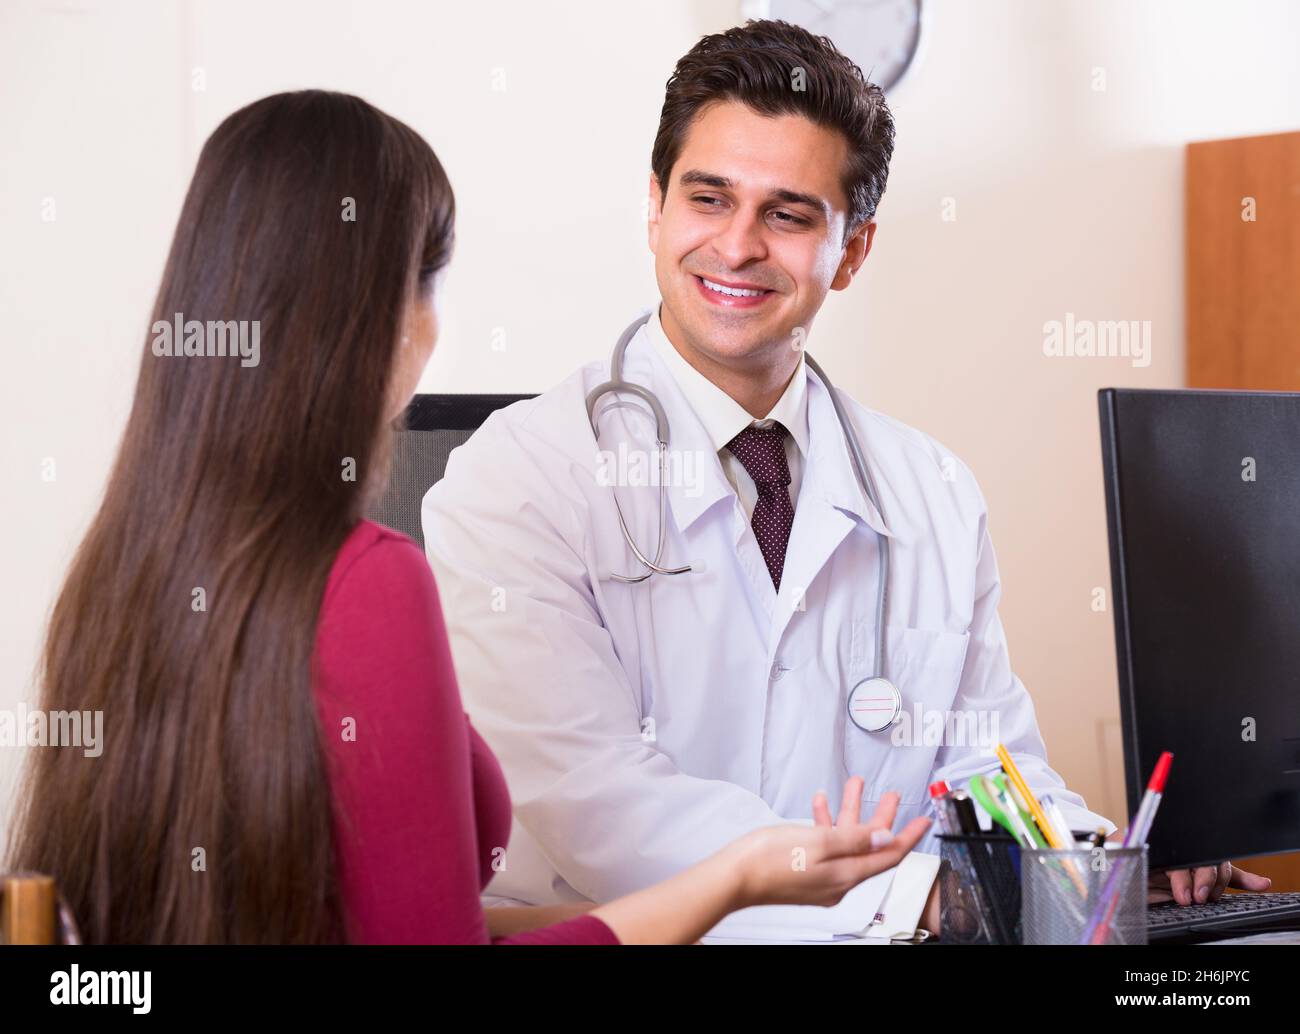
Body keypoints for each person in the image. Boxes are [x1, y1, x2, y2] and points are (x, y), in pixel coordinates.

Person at [4, 89, 931, 944]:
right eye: (429, 285)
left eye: (787, 212)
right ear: (383, 311)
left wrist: (734, 881)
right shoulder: (376, 577)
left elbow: (412, 921)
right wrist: (734, 879)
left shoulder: (118, 574)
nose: (737, 246)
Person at [421, 19, 1269, 933]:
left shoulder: (930, 489)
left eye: (787, 215)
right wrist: (926, 898)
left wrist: (1088, 866)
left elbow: (991, 767)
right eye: (709, 199)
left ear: (854, 250)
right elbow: (594, 803)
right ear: (656, 208)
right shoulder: (515, 479)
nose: (738, 246)